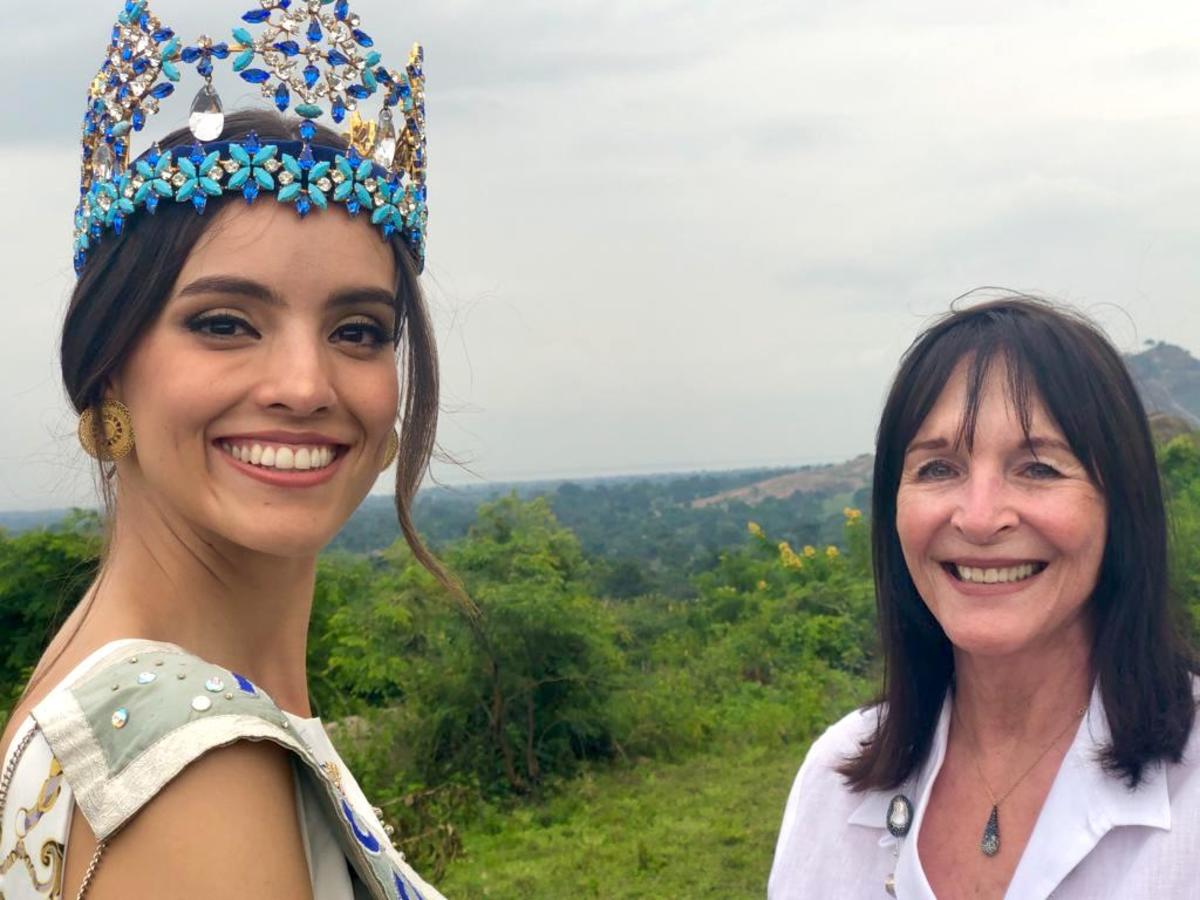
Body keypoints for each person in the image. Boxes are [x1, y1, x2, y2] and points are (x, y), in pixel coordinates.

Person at [0, 2, 445, 898]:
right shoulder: (197, 765)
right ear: (108, 369)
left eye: (359, 331)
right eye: (224, 323)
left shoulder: (100, 677)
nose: (305, 384)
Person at [768, 295, 1200, 899]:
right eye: (938, 468)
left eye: (1038, 468)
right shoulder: (835, 777)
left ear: (1121, 506)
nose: (978, 518)